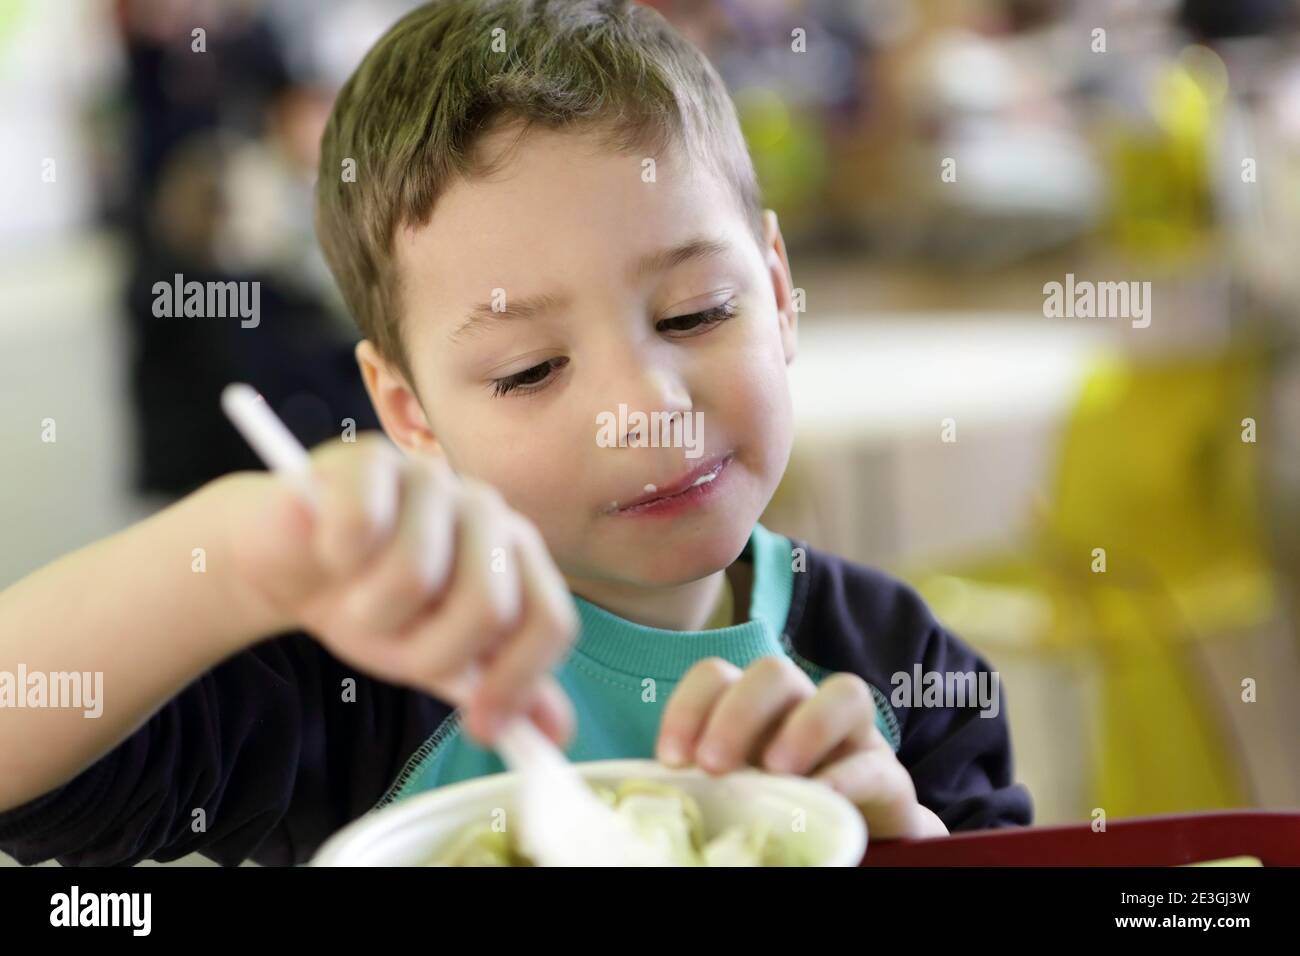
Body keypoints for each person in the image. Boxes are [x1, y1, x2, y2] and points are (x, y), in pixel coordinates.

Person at [0, 0, 1030, 866]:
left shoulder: (900, 671)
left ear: (775, 289)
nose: (647, 404)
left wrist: (904, 839)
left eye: (694, 312)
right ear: (409, 412)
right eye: (530, 369)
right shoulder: (355, 679)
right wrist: (236, 558)